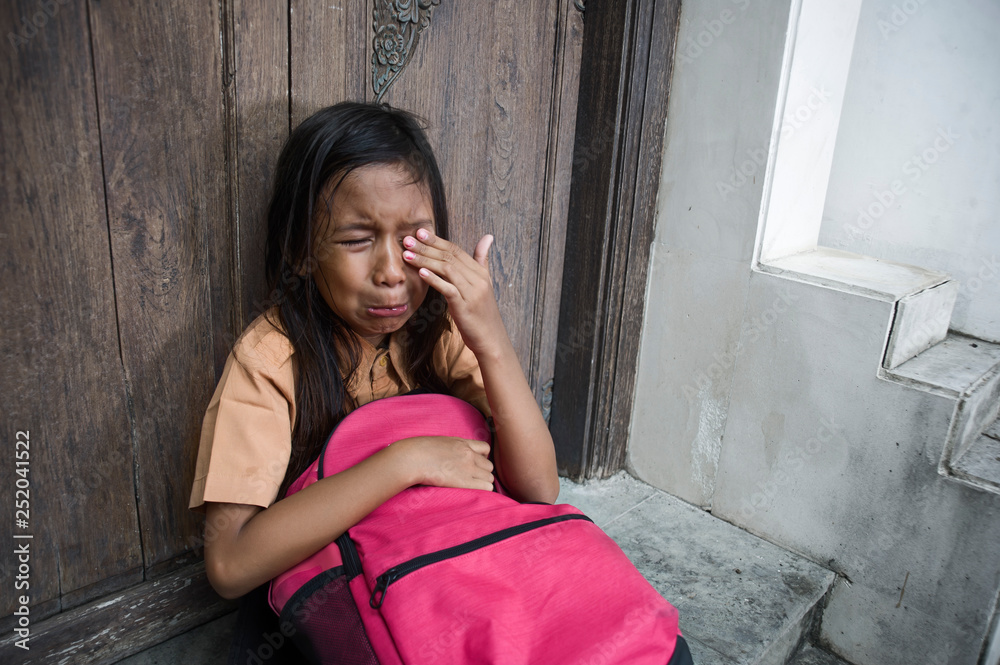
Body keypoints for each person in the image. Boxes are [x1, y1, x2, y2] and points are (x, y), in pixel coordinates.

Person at [188, 102, 561, 658]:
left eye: (414, 238)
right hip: (335, 598)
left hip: (434, 571)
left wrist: (491, 336)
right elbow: (230, 564)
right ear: (301, 251)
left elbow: (540, 488)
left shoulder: (439, 328)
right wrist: (405, 462)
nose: (391, 271)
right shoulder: (271, 359)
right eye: (356, 239)